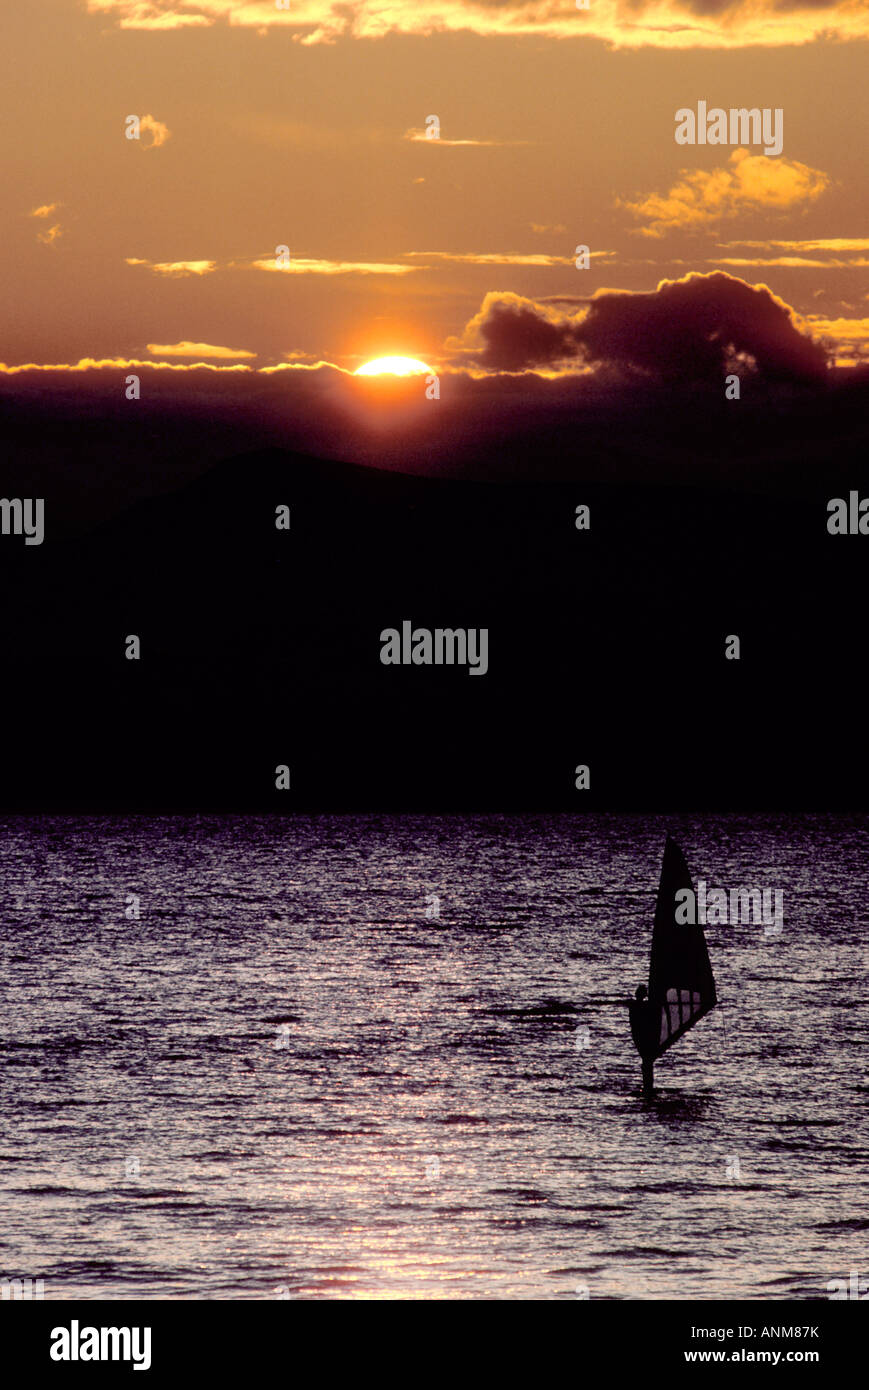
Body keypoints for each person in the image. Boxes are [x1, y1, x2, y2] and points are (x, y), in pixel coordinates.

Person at [628, 983, 657, 1096]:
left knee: (647, 1061)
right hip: (642, 1035)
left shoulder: (636, 1005)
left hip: (640, 1035)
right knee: (647, 1061)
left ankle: (648, 1086)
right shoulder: (639, 1006)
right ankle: (648, 1087)